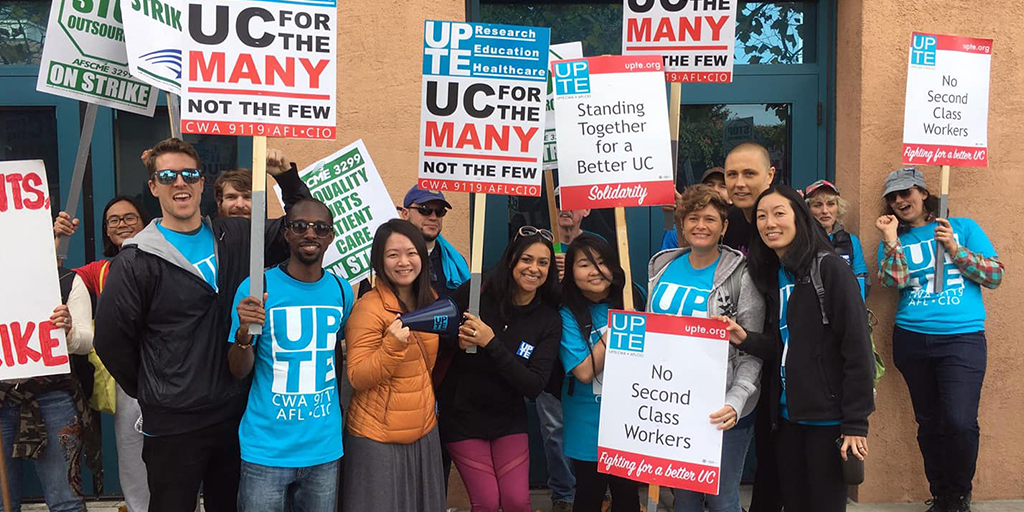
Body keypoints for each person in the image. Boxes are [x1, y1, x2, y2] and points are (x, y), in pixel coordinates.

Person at [94, 138, 310, 511]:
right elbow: (112, 342)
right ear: (153, 186)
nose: (180, 182)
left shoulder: (236, 237)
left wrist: (287, 180)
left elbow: (304, 229)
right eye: (168, 175)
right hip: (173, 424)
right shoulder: (135, 260)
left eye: (189, 174)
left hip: (234, 414)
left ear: (200, 182)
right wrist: (156, 386)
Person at [726, 186, 874, 512]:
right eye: (762, 216)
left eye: (779, 213)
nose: (769, 223)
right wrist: (745, 338)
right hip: (786, 419)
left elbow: (857, 347)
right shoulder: (774, 274)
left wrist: (855, 424)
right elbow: (786, 345)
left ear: (799, 217)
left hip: (827, 421)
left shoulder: (830, 268)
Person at [875, 168, 1003, 512]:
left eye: (907, 192)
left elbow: (994, 276)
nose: (901, 200)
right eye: (894, 196)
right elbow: (895, 280)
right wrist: (890, 238)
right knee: (929, 422)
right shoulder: (894, 238)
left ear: (924, 193)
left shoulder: (962, 227)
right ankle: (943, 496)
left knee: (960, 421)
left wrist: (955, 249)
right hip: (912, 339)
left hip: (962, 339)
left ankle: (960, 494)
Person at [228, 198, 354, 511]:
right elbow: (238, 370)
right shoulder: (257, 288)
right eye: (300, 226)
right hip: (266, 449)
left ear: (331, 236)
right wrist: (244, 335)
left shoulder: (341, 291)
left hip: (323, 448)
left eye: (320, 227)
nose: (310, 233)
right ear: (286, 233)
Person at [647, 185, 765, 512]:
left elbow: (750, 346)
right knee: (683, 498)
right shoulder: (662, 267)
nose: (701, 225)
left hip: (723, 407)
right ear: (681, 223)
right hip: (673, 403)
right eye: (693, 217)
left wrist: (737, 399)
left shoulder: (741, 274)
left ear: (724, 226)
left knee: (721, 498)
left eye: (710, 219)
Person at [437, 226, 562, 512]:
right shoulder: (477, 293)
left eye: (543, 263)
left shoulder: (548, 319)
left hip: (508, 421)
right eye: (526, 259)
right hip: (462, 417)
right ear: (511, 261)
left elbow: (533, 385)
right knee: (488, 503)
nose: (534, 269)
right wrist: (455, 341)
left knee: (517, 501)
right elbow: (437, 335)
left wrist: (490, 342)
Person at [54, 195, 154, 512]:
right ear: (107, 232)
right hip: (128, 385)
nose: (122, 224)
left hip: (174, 377)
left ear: (146, 221)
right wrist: (57, 239)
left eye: (129, 217)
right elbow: (53, 274)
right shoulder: (97, 272)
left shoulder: (173, 259)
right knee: (132, 459)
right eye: (114, 220)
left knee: (177, 460)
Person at [342, 219, 445, 512]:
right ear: (379, 261)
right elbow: (358, 377)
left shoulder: (432, 302)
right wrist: (392, 346)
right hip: (378, 438)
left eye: (411, 253)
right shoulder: (368, 308)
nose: (404, 262)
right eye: (393, 255)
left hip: (423, 431)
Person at [0, 265, 94, 512]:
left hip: (52, 397)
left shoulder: (66, 281)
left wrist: (69, 331)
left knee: (66, 502)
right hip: (2, 399)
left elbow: (87, 342)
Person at [558, 233, 639, 512]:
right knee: (589, 494)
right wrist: (621, 327)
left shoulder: (634, 296)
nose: (595, 271)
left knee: (628, 495)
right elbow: (582, 371)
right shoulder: (567, 313)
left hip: (631, 418)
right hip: (587, 420)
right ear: (570, 272)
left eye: (602, 262)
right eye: (584, 264)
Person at [400, 185, 470, 297]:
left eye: (439, 211)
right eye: (424, 210)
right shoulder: (391, 260)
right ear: (405, 214)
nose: (433, 217)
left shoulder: (455, 263)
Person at [804, 180, 870, 297]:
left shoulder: (851, 241)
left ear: (838, 207)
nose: (825, 211)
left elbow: (863, 282)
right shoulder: (801, 240)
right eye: (818, 205)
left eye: (830, 204)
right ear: (808, 209)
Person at [660, 167, 729, 250]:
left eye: (723, 186)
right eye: (709, 185)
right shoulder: (675, 232)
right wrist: (680, 214)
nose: (715, 190)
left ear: (724, 226)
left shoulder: (742, 227)